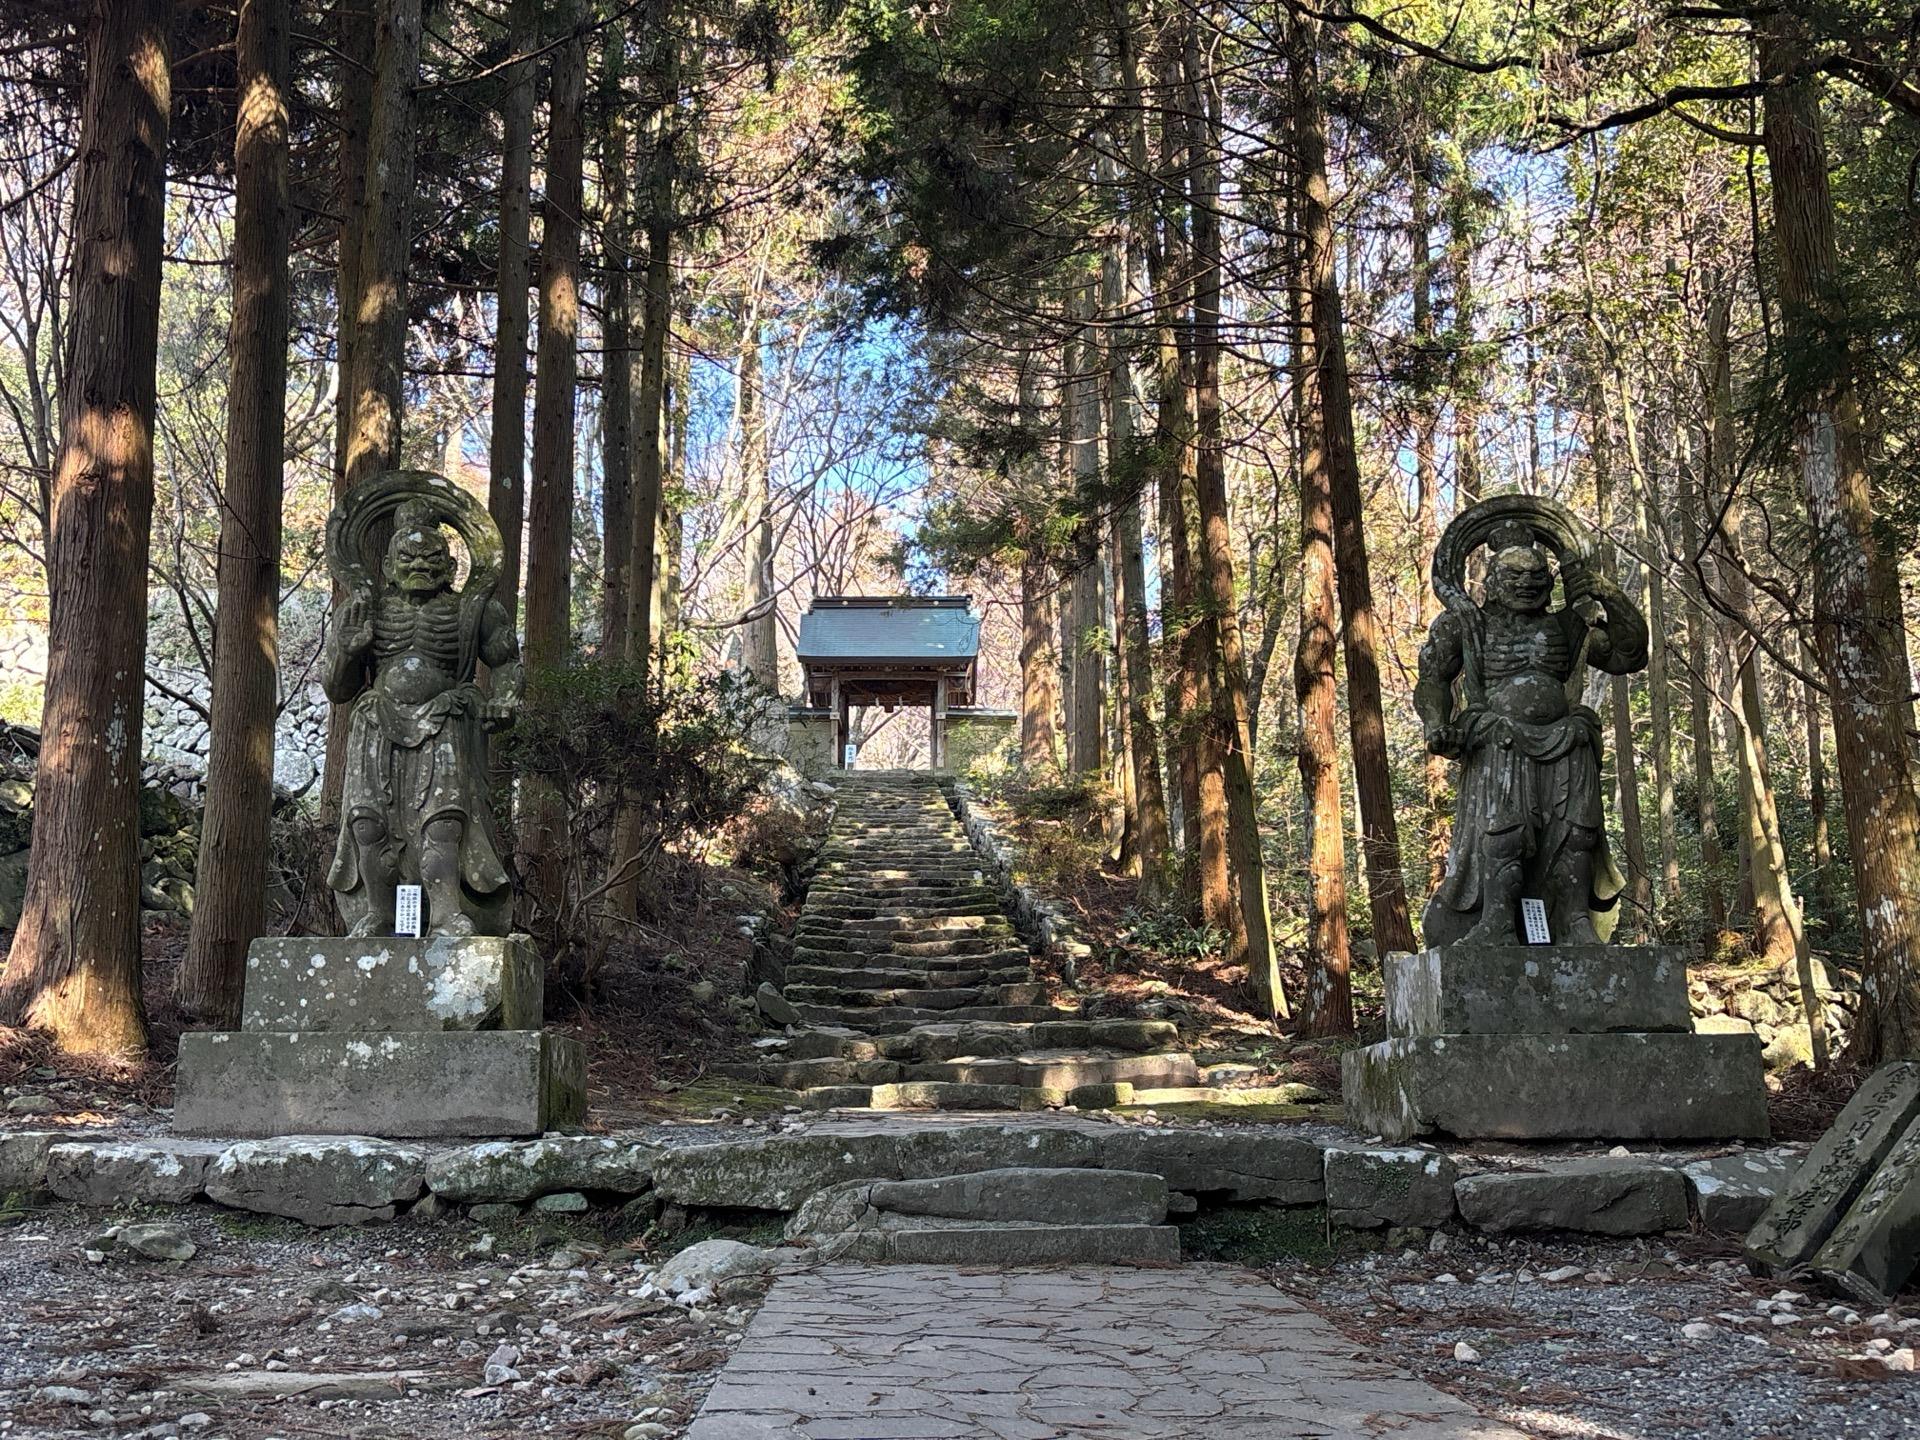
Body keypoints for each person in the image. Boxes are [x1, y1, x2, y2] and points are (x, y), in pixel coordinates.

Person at [1416, 515, 1647, 948]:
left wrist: (1604, 593)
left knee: (1578, 832)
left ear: (1550, 579)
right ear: (1492, 580)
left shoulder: (1565, 627)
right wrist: (1437, 724)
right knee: (1504, 832)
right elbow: (1432, 679)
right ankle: (1497, 923)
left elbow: (1628, 654)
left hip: (1567, 740)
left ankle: (1575, 922)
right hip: (1499, 739)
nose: (1526, 584)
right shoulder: (1466, 624)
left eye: (1536, 575)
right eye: (1514, 575)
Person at [323, 499, 521, 936]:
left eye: (432, 559)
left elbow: (507, 662)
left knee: (445, 821)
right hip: (377, 722)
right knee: (367, 821)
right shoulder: (365, 609)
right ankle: (379, 912)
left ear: (451, 567)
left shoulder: (472, 609)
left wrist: (503, 699)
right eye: (408, 558)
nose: (420, 566)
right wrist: (347, 653)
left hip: (445, 720)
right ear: (389, 565)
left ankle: (449, 912)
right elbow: (336, 689)